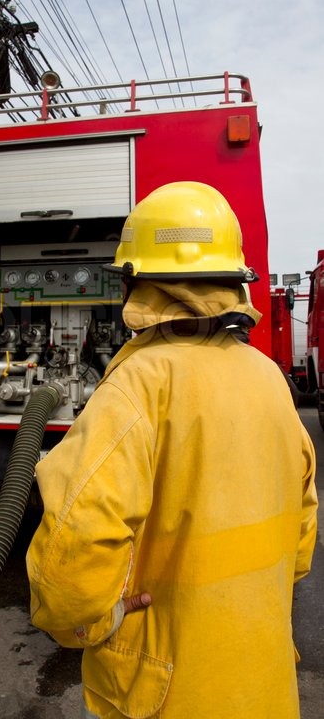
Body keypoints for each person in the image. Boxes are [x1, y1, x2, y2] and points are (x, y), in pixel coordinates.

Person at [26, 181, 318, 719]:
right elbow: (301, 536)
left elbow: (75, 550)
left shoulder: (137, 385)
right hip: (262, 683)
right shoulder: (270, 378)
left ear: (134, 284)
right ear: (233, 281)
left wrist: (90, 623)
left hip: (166, 695)